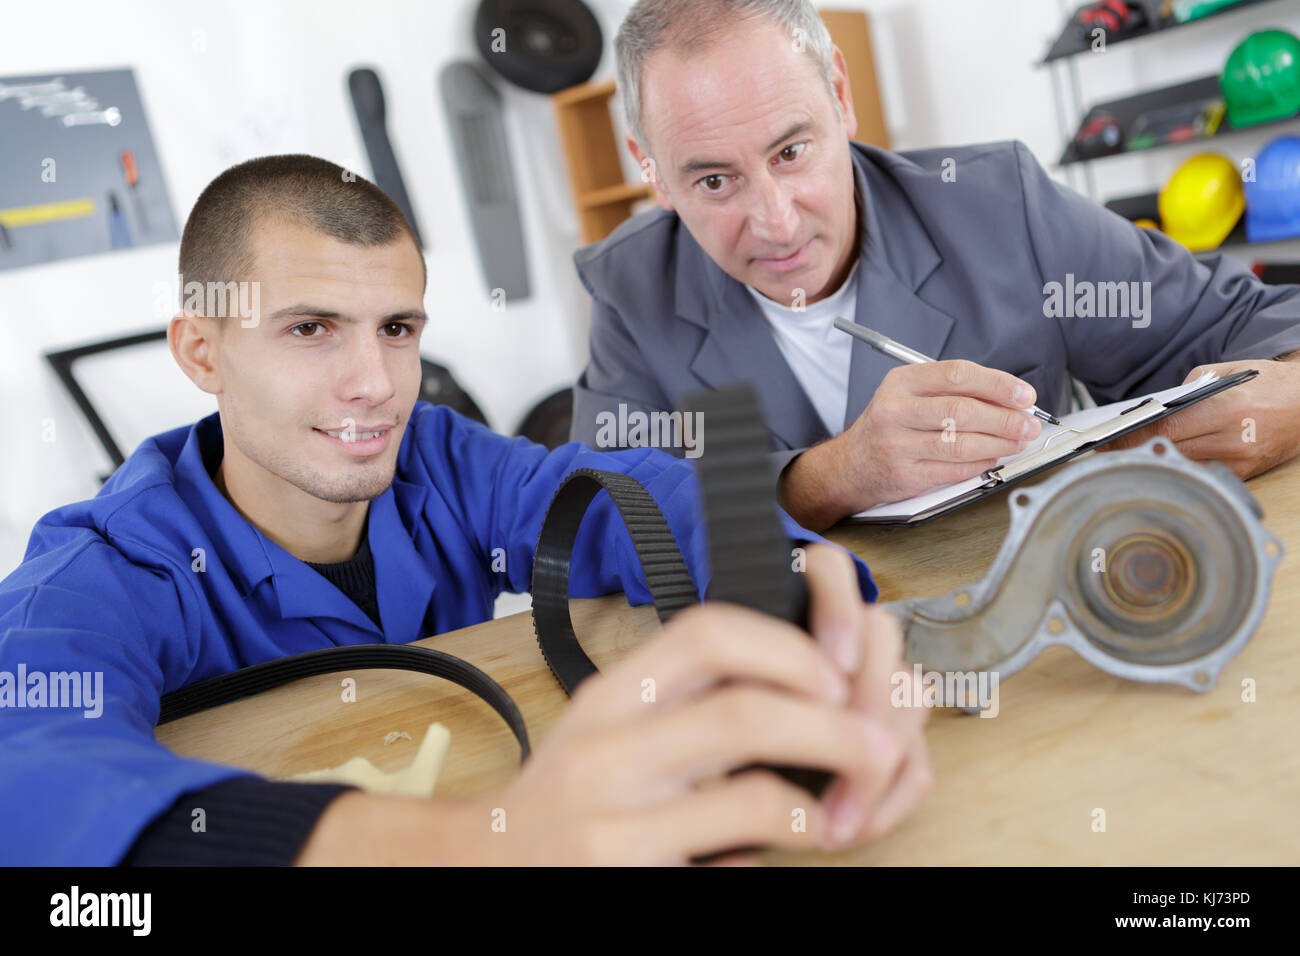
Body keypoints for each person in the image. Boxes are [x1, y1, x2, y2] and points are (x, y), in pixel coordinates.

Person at [0, 155, 930, 866]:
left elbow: (631, 494)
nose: (374, 386)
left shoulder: (437, 461)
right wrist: (476, 847)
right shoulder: (99, 571)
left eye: (397, 330)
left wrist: (801, 586)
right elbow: (30, 781)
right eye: (310, 328)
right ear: (202, 353)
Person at [570, 0, 1300, 531]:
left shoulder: (997, 206)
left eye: (791, 152)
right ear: (652, 173)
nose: (777, 223)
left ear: (841, 96)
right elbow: (601, 520)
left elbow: (1255, 322)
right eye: (713, 181)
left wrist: (1287, 399)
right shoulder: (630, 292)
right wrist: (831, 477)